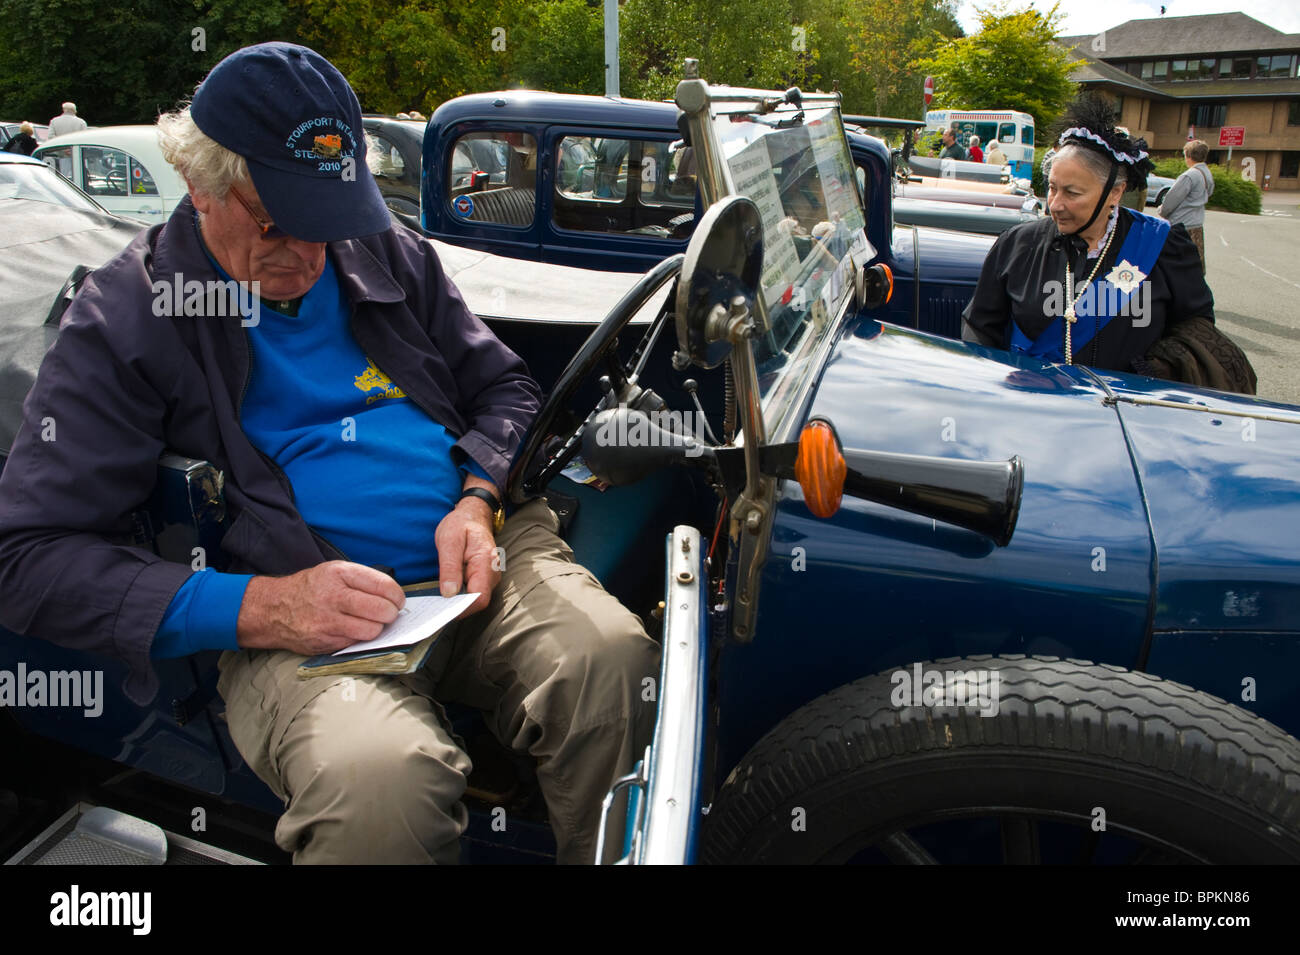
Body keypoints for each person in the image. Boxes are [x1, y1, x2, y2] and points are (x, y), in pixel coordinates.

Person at [0, 42, 659, 865]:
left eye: (330, 220)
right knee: (379, 787)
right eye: (277, 221)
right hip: (291, 619)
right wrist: (264, 607)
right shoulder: (127, 319)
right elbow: (28, 560)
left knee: (613, 663)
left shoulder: (378, 250)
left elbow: (505, 389)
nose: (310, 256)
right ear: (199, 185)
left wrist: (476, 498)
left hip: (479, 562)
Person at [962, 94, 1215, 375]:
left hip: (1125, 412)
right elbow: (980, 328)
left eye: (1072, 193)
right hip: (1034, 404)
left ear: (1115, 193)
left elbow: (1197, 333)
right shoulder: (1018, 244)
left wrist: (1151, 373)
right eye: (1052, 188)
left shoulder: (1163, 247)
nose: (1055, 204)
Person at [1159, 138, 1213, 273]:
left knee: (1173, 265)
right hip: (1197, 224)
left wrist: (1162, 211)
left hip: (1181, 225)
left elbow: (1172, 199)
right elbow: (1210, 192)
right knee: (1193, 264)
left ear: (1188, 156)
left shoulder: (1189, 176)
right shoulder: (1207, 174)